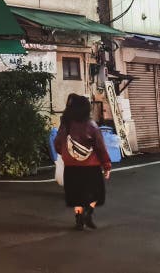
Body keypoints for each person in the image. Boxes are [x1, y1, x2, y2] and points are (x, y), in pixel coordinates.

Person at [54, 95, 111, 230]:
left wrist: (67, 155)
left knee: (76, 195)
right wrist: (107, 166)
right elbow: (100, 147)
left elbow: (57, 144)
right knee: (97, 194)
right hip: (90, 167)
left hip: (71, 167)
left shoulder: (65, 125)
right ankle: (88, 213)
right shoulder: (91, 125)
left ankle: (79, 220)